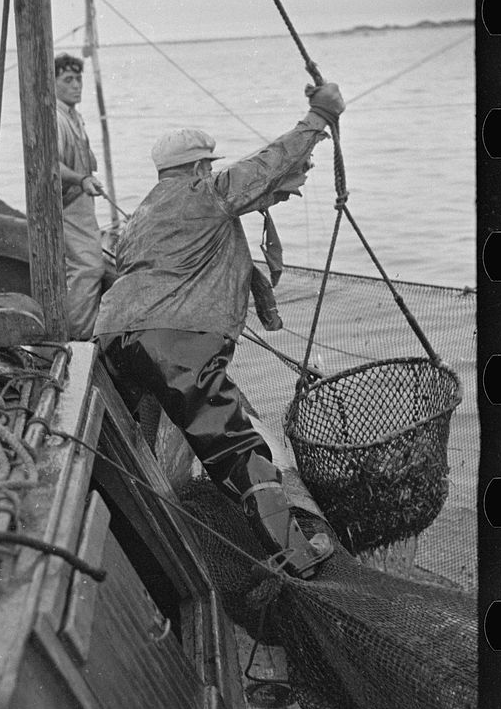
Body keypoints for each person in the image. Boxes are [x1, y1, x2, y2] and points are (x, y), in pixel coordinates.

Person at [94, 81, 346, 579]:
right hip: (176, 343)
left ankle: (128, 545)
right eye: (208, 166)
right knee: (236, 446)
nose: (211, 172)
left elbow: (261, 187)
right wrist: (318, 118)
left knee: (127, 442)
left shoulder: (143, 213)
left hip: (116, 339)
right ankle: (296, 556)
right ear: (198, 168)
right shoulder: (205, 194)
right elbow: (265, 165)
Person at [55, 52, 107, 341]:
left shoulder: (73, 115)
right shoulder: (56, 118)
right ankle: (80, 339)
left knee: (89, 264)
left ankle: (82, 333)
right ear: (51, 83)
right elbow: (51, 165)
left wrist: (89, 169)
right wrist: (81, 178)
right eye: (68, 80)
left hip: (82, 205)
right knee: (88, 267)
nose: (77, 85)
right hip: (69, 206)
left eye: (79, 79)